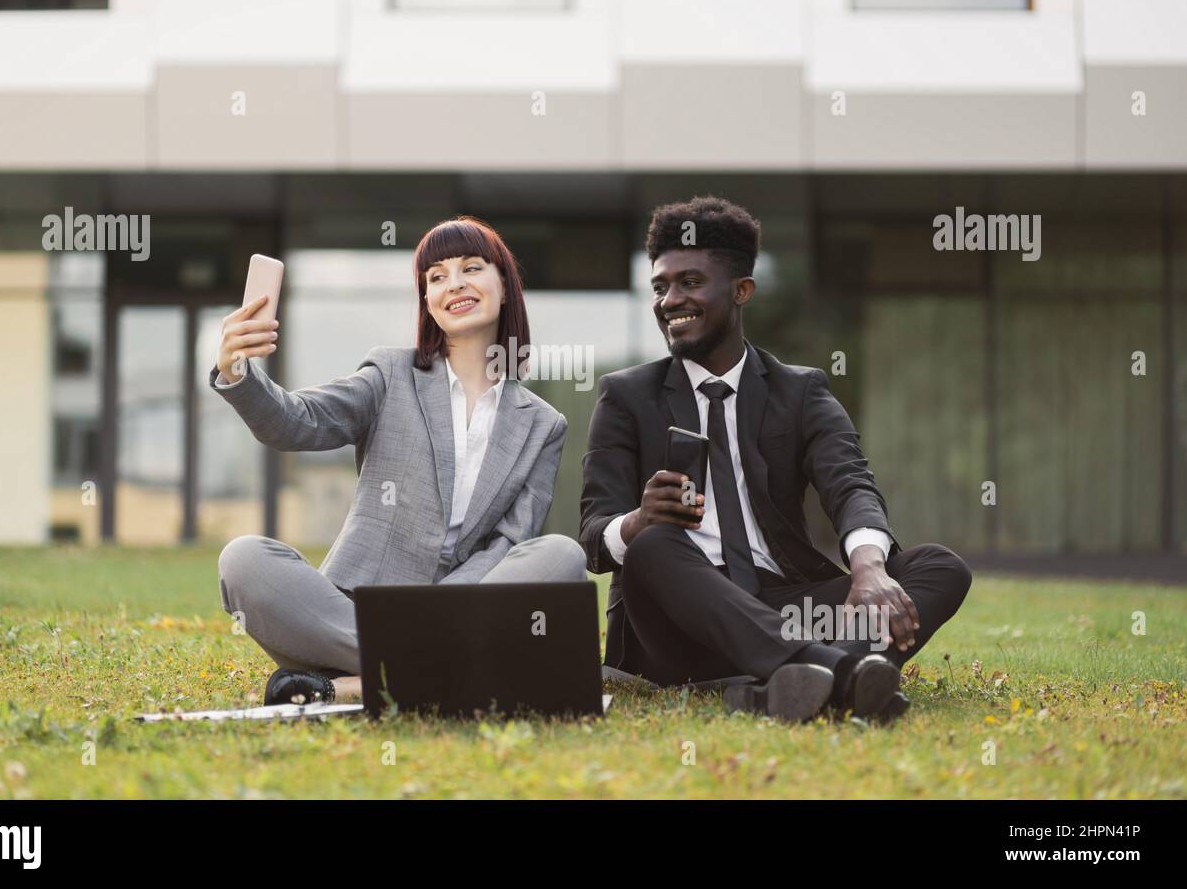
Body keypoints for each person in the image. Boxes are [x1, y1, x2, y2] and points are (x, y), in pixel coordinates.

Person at [579, 196, 972, 722]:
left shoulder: (800, 390)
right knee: (653, 545)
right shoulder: (626, 396)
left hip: (786, 611)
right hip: (679, 620)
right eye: (660, 286)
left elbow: (849, 482)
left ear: (742, 291)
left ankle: (784, 686)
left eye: (690, 283)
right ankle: (844, 673)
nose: (670, 300)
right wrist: (635, 522)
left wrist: (869, 567)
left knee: (938, 566)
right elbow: (592, 539)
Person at [213, 217, 587, 705]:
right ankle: (448, 670)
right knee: (244, 560)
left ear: (504, 286)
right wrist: (237, 369)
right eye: (435, 277)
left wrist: (438, 612)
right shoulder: (391, 373)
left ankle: (351, 686)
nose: (453, 284)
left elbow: (509, 544)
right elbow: (296, 422)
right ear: (428, 301)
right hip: (355, 612)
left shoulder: (543, 424)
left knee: (561, 556)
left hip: (464, 614)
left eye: (471, 268)